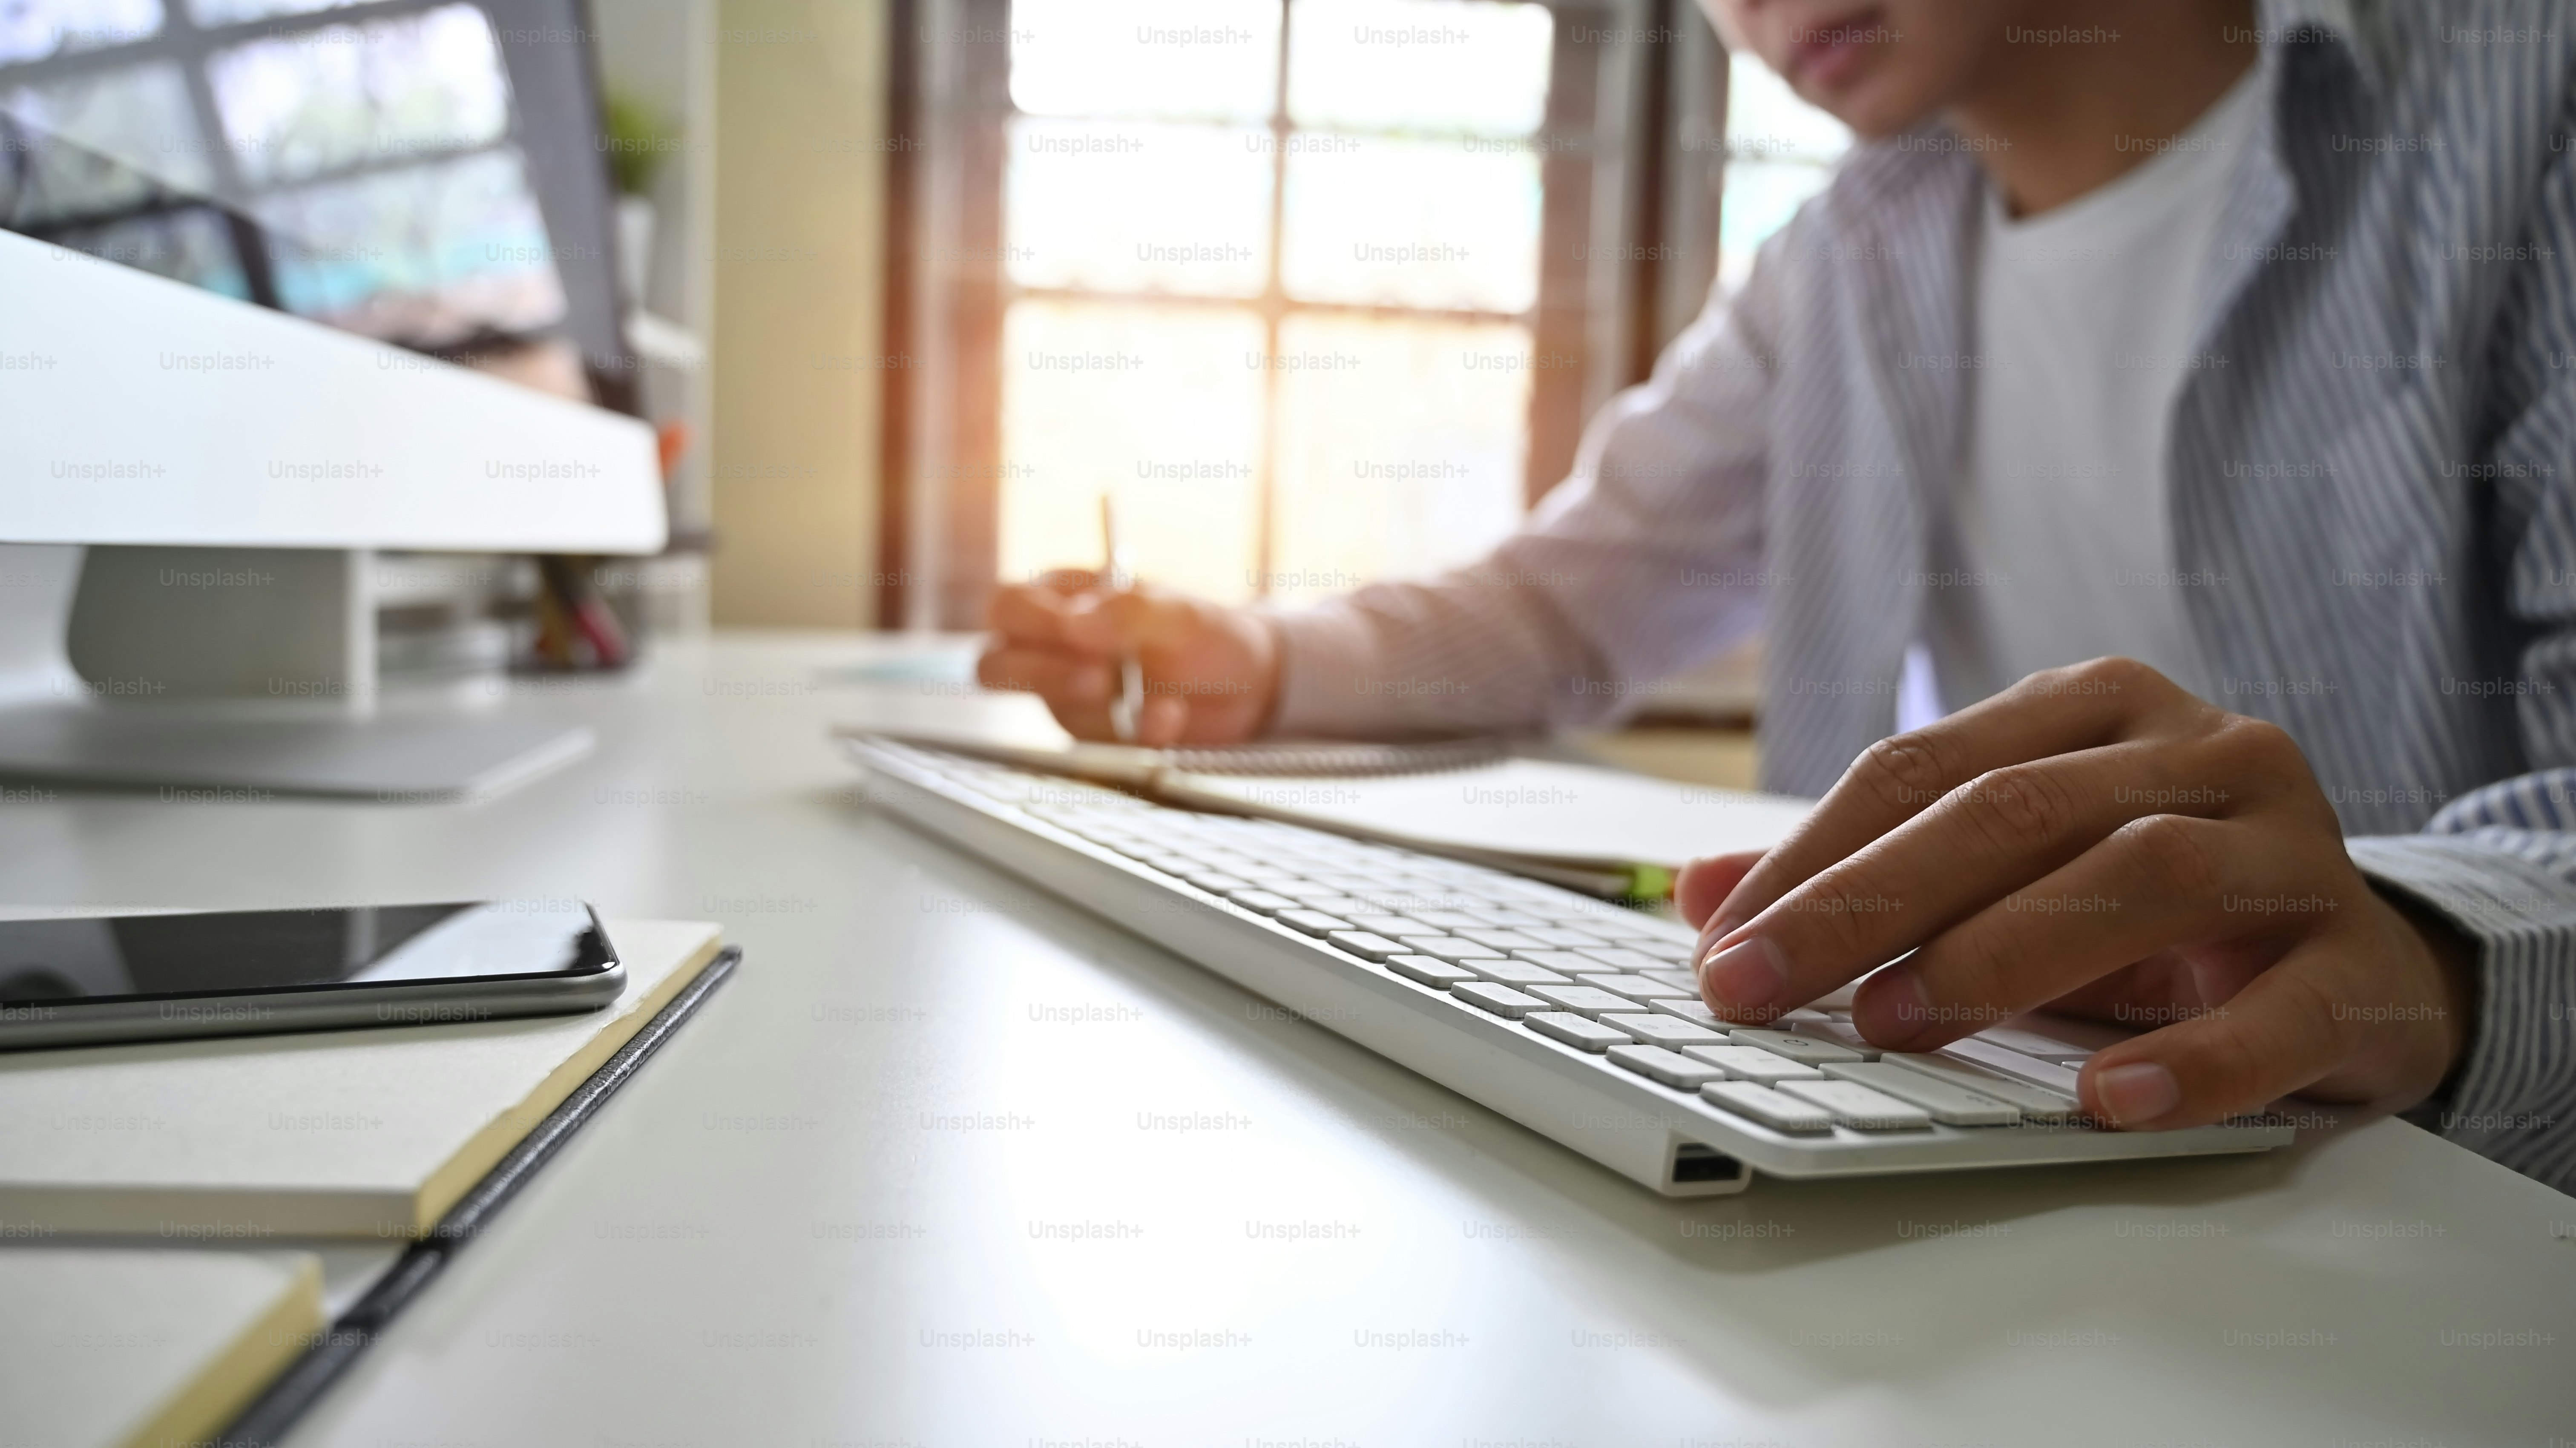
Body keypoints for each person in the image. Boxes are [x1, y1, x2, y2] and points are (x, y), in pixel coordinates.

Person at [980, 0, 2576, 1194]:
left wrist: (2427, 951)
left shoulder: (2519, 108)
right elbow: (1568, 605)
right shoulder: (1847, 253)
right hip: (2048, 1136)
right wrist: (1252, 658)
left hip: (2435, 1186)